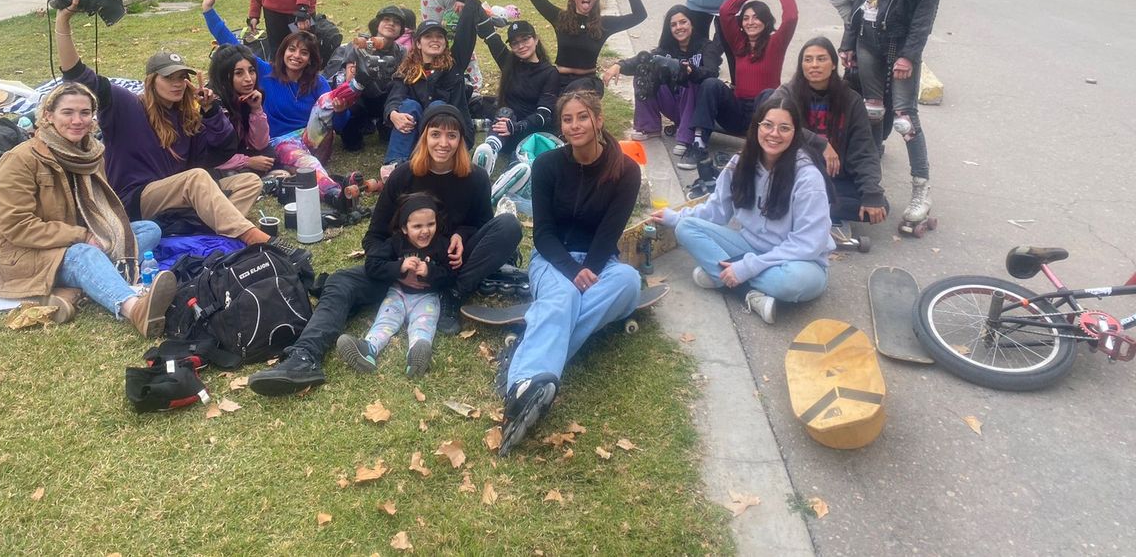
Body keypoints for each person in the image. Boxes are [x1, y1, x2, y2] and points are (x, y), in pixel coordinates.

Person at [247, 104, 523, 395]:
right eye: (436, 134)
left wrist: (461, 237)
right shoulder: (404, 176)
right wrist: (397, 269)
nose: (444, 143)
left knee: (508, 226)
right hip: (398, 268)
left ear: (462, 139)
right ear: (423, 137)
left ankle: (449, 298)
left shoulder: (475, 178)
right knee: (341, 281)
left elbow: (484, 227)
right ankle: (303, 357)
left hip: (448, 270)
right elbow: (374, 237)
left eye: (452, 135)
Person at [499, 90, 642, 456]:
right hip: (552, 259)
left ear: (599, 119)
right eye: (567, 119)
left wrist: (588, 270)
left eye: (582, 117)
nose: (575, 125)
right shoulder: (547, 165)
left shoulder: (626, 171)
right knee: (561, 295)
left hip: (599, 264)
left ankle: (528, 357)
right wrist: (571, 271)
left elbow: (610, 234)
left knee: (628, 282)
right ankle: (521, 387)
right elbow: (544, 235)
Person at [56, 1, 269, 245]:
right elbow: (77, 75)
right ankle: (250, 236)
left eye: (182, 77)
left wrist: (211, 112)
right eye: (169, 77)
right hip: (135, 199)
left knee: (249, 181)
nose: (177, 83)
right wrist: (63, 23)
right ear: (151, 81)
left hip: (177, 196)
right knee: (196, 178)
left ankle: (205, 236)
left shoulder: (186, 117)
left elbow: (222, 152)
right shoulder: (127, 105)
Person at [0, 82, 176, 336]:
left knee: (147, 229)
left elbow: (101, 211)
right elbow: (17, 226)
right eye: (68, 113)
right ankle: (135, 309)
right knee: (85, 255)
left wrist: (105, 233)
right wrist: (81, 236)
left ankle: (83, 288)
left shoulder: (91, 155)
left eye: (85, 113)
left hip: (84, 241)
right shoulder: (20, 160)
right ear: (48, 116)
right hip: (27, 254)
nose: (77, 120)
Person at [654, 95, 832, 325]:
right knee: (685, 227)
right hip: (749, 247)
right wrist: (674, 217)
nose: (774, 134)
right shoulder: (739, 163)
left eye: (784, 128)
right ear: (757, 126)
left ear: (795, 132)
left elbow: (809, 243)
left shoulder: (807, 177)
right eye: (767, 125)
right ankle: (748, 294)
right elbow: (716, 211)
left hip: (798, 262)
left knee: (792, 283)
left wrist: (749, 267)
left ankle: (719, 274)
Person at [840, 0, 946, 229]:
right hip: (867, 40)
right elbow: (860, 1)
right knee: (872, 112)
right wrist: (848, 42)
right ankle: (872, 184)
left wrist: (910, 55)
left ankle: (921, 191)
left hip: (899, 45)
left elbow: (924, 14)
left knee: (904, 119)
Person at [203, 0, 364, 208]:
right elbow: (232, 45)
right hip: (279, 141)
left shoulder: (317, 82)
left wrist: (340, 109)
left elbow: (336, 123)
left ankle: (356, 86)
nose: (296, 56)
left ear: (310, 59)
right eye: (292, 50)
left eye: (304, 52)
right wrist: (209, 13)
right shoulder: (266, 72)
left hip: (312, 138)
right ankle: (334, 192)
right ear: (283, 51)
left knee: (325, 103)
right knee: (304, 160)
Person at [681, 0, 797, 170]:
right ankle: (698, 143)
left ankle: (760, 152)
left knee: (770, 94)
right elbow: (726, 11)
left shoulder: (776, 43)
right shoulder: (739, 44)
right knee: (711, 84)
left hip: (763, 112)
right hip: (737, 111)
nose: (751, 22)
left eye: (756, 17)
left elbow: (791, 17)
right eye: (746, 18)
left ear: (766, 21)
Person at [454, 0, 559, 174]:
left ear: (536, 40)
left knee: (519, 152)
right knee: (496, 107)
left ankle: (507, 158)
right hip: (504, 125)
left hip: (529, 130)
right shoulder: (509, 62)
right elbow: (484, 28)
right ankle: (490, 148)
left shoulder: (549, 73)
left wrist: (517, 126)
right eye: (515, 43)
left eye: (525, 40)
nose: (521, 46)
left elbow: (544, 113)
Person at [779, 38, 887, 243]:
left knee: (879, 204)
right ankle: (812, 212)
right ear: (801, 65)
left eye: (821, 59)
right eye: (808, 60)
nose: (814, 65)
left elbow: (864, 150)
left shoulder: (851, 99)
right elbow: (773, 127)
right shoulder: (788, 93)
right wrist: (821, 144)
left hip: (834, 180)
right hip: (794, 174)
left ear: (833, 64)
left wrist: (871, 193)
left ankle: (802, 212)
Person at [336, 193, 453, 378]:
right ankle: (368, 349)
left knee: (423, 324)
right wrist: (399, 267)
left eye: (430, 224)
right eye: (417, 226)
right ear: (405, 228)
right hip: (397, 294)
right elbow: (372, 264)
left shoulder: (441, 245)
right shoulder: (396, 243)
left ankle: (418, 353)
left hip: (427, 297)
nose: (425, 231)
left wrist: (431, 272)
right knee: (385, 321)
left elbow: (451, 276)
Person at [381, 0, 479, 174]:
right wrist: (393, 114)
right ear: (418, 44)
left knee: (438, 105)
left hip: (452, 135)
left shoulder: (454, 64)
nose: (435, 40)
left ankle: (430, 164)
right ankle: (394, 166)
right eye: (428, 36)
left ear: (444, 43)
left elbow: (466, 29)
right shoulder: (408, 70)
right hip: (418, 133)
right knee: (408, 105)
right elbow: (395, 96)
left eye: (439, 36)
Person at [603, 5, 721, 156]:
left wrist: (691, 70)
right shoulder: (667, 49)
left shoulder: (706, 46)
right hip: (674, 104)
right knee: (645, 70)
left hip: (697, 108)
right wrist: (619, 65)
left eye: (683, 22)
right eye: (673, 24)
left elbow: (712, 73)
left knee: (688, 76)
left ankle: (687, 138)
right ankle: (649, 127)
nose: (679, 27)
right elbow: (643, 60)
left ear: (692, 24)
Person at [527, 0, 647, 96]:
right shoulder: (561, 18)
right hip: (559, 81)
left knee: (574, 97)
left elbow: (640, 15)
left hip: (588, 84)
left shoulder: (604, 24)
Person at [328, 5, 409, 152]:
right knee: (352, 144)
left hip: (385, 100)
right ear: (377, 24)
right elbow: (349, 81)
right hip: (360, 97)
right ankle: (360, 125)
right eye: (386, 19)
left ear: (401, 30)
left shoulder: (402, 52)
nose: (391, 24)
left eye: (396, 22)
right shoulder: (359, 44)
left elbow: (401, 84)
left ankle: (383, 123)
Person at [206, 42, 275, 176]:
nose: (248, 79)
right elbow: (211, 154)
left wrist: (256, 110)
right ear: (224, 76)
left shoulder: (246, 97)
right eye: (239, 73)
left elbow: (259, 144)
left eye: (251, 71)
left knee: (268, 153)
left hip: (236, 155)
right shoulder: (212, 104)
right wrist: (247, 161)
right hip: (214, 160)